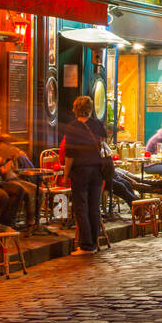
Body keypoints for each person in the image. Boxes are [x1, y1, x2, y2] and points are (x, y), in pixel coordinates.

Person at [61, 96, 106, 255]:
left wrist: (65, 175)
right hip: (97, 171)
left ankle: (86, 245)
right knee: (94, 207)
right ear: (91, 108)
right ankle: (94, 241)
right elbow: (104, 144)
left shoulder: (72, 128)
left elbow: (69, 155)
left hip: (80, 171)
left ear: (75, 109)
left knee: (81, 207)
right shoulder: (97, 125)